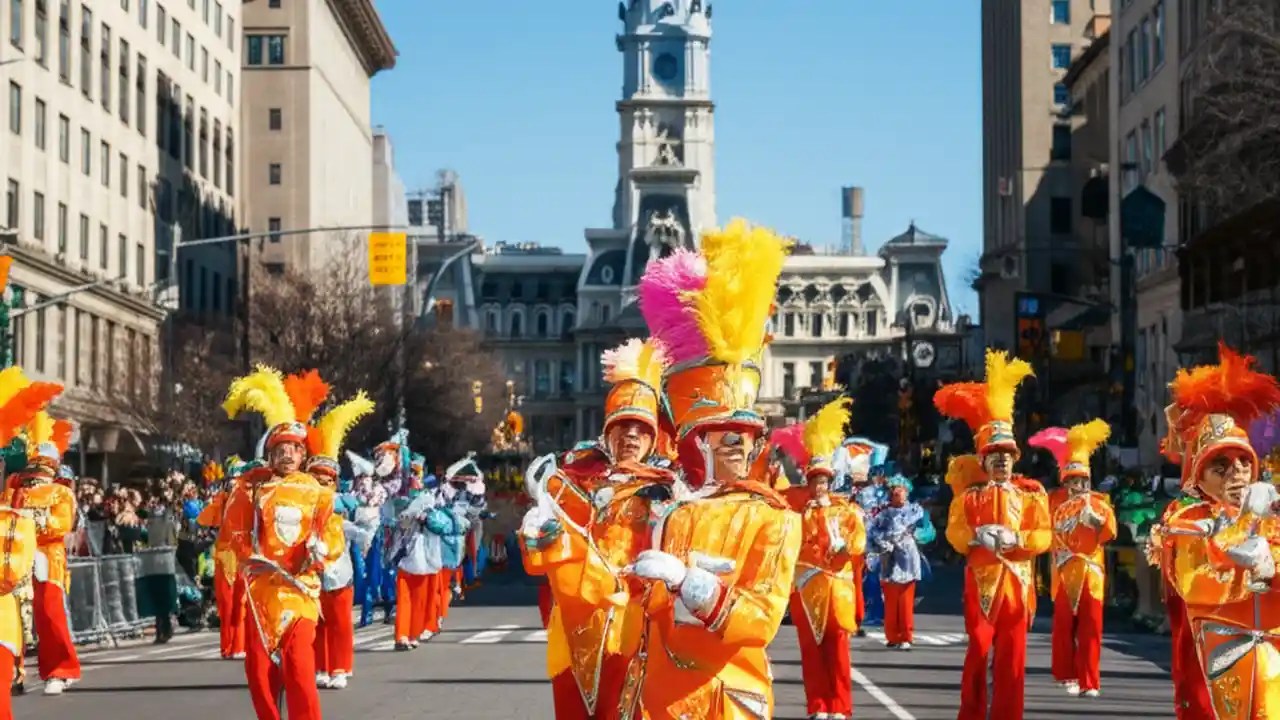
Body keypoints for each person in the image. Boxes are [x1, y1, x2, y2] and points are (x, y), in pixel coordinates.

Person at [527, 220, 803, 718]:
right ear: (694, 442)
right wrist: (550, 538)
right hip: (639, 680)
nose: (733, 447)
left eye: (741, 436)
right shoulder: (671, 506)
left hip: (721, 699)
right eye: (719, 436)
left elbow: (760, 618)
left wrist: (693, 586)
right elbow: (616, 581)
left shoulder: (771, 517)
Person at [521, 336, 674, 720]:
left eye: (640, 429)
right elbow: (539, 557)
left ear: (653, 438)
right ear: (607, 434)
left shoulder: (671, 488)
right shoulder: (571, 484)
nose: (631, 437)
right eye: (622, 427)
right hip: (576, 629)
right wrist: (537, 538)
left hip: (636, 629)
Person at [1158, 343, 1280, 720]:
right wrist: (1240, 560)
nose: (1237, 473)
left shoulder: (1272, 513)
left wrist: (1270, 564)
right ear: (1200, 477)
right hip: (1224, 652)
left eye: (1244, 462)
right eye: (1221, 466)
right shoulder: (1188, 521)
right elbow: (1194, 585)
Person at [221, 366, 347, 720]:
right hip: (262, 592)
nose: (288, 454)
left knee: (299, 668)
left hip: (300, 591)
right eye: (281, 449)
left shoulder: (318, 492)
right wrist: (248, 556)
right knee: (259, 675)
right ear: (271, 453)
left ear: (303, 454)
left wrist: (318, 552)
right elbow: (236, 532)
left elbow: (332, 535)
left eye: (294, 448)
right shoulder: (256, 489)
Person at [936, 350, 1052, 720]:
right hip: (982, 581)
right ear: (983, 461)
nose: (1001, 460)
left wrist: (1019, 541)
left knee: (1013, 657)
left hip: (1017, 584)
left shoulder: (1030, 494)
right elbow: (954, 531)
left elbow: (1044, 534)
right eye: (994, 455)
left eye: (1006, 454)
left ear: (1015, 458)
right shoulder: (970, 497)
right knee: (980, 650)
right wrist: (975, 535)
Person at [774, 398, 866, 720]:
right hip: (807, 588)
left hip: (837, 588)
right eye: (815, 481)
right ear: (809, 483)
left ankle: (841, 706)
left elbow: (858, 541)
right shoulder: (796, 512)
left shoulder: (846, 510)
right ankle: (817, 706)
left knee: (838, 651)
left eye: (824, 480)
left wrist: (845, 549)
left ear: (831, 481)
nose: (820, 486)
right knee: (811, 651)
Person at [1028, 420, 1117, 697]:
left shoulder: (1100, 503)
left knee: (1091, 629)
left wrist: (1098, 523)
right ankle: (1065, 673)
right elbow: (1040, 520)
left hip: (1091, 572)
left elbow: (1110, 533)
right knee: (1063, 627)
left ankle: (1090, 680)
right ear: (1065, 481)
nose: (1078, 485)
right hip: (1064, 572)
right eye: (1072, 480)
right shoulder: (1054, 502)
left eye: (1082, 480)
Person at [302, 381, 376, 690]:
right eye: (316, 479)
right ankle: (321, 667)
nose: (321, 484)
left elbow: (360, 532)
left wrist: (368, 523)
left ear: (334, 483)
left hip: (339, 573)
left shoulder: (341, 509)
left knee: (341, 623)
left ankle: (341, 667)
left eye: (327, 480)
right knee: (317, 623)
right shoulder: (305, 508)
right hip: (311, 574)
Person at [6, 406, 80, 697]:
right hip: (13, 562)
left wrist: (30, 520)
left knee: (49, 615)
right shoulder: (12, 491)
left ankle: (61, 670)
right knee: (13, 619)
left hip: (47, 561)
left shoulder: (60, 492)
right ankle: (13, 672)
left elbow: (60, 525)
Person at [196, 455, 256, 659]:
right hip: (225, 557)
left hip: (245, 556)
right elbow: (204, 521)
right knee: (226, 604)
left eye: (239, 478)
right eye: (233, 478)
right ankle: (227, 646)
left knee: (242, 603)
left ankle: (240, 645)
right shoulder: (221, 500)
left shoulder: (251, 498)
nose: (235, 482)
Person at [868, 478, 936, 651]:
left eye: (901, 489)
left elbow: (928, 531)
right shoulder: (882, 512)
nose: (897, 492)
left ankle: (906, 635)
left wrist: (915, 536)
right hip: (887, 557)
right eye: (894, 489)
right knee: (889, 600)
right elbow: (872, 531)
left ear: (907, 491)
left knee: (905, 600)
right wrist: (882, 542)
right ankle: (892, 636)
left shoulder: (916, 511)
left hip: (907, 559)